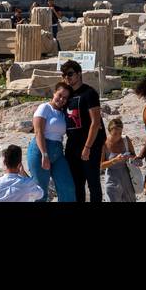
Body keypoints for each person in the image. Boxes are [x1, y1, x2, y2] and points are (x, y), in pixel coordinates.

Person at [59, 59, 106, 203]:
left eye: (70, 74)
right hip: (72, 145)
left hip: (90, 145)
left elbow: (95, 122)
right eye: (64, 75)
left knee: (93, 184)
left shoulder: (89, 93)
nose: (67, 77)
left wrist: (87, 147)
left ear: (79, 74)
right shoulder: (67, 95)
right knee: (77, 184)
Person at [29, 83, 76, 202]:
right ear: (54, 93)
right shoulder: (44, 107)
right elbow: (38, 132)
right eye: (60, 95)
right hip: (41, 151)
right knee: (41, 192)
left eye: (65, 98)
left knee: (67, 187)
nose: (61, 99)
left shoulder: (62, 113)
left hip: (57, 152)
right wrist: (44, 154)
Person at [100, 117, 138, 203]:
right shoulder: (104, 144)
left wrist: (130, 157)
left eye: (120, 133)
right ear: (109, 132)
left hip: (127, 177)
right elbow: (101, 165)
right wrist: (114, 160)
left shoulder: (125, 140)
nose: (118, 136)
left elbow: (134, 155)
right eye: (115, 133)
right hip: (111, 178)